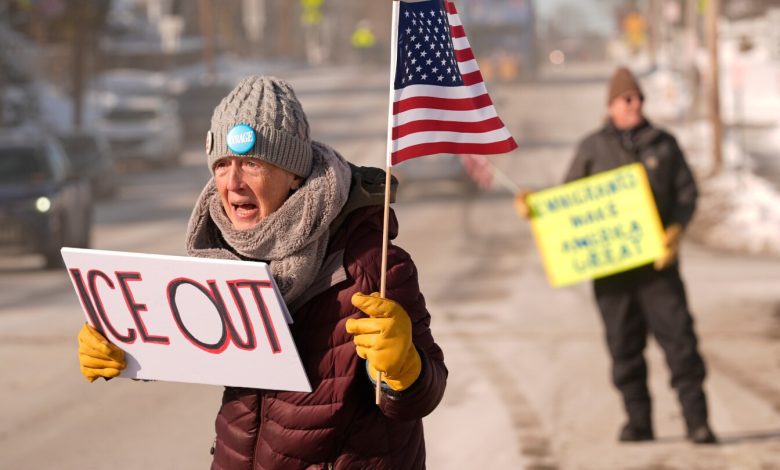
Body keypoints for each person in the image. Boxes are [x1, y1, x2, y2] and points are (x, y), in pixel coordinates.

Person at [77, 75, 448, 468]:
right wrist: (126, 343)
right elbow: (194, 342)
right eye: (222, 164)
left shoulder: (372, 263)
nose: (233, 182)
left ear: (293, 174)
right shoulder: (221, 254)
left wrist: (404, 369)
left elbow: (424, 394)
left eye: (251, 163)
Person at [515, 66, 716, 444]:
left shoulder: (664, 144)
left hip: (659, 268)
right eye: (628, 98)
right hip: (611, 272)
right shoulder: (592, 147)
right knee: (624, 346)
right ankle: (638, 422)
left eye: (639, 97)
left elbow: (686, 194)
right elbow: (569, 203)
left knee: (680, 343)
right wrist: (536, 208)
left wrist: (675, 231)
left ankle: (697, 422)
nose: (636, 103)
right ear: (611, 105)